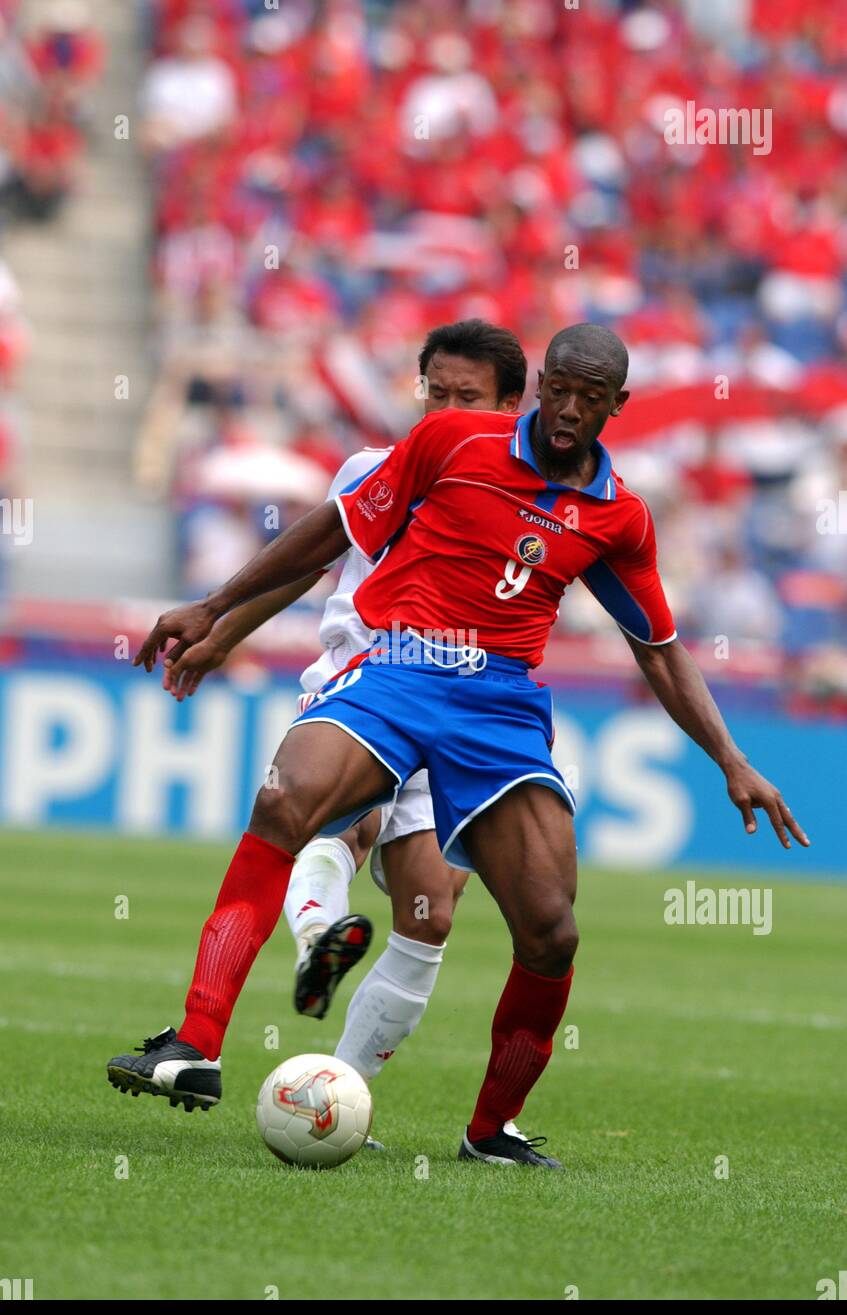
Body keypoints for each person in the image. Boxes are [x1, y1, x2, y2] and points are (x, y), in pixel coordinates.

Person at [108, 323, 808, 1168]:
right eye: (561, 390)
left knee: (550, 930)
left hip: (501, 704)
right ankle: (195, 1044)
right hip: (400, 664)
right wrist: (211, 611)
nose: (569, 411)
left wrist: (731, 761)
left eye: (592, 400)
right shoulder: (449, 438)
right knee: (284, 801)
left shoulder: (619, 518)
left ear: (616, 407)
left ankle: (490, 1131)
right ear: (541, 383)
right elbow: (332, 533)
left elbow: (657, 648)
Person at [162, 320, 525, 1095]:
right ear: (417, 387)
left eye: (469, 398)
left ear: (509, 407)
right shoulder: (375, 468)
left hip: (461, 707)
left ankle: (335, 1093)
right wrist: (224, 633)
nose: (446, 408)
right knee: (337, 821)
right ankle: (316, 941)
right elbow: (309, 560)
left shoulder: (530, 499)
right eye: (436, 391)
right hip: (361, 683)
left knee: (427, 910)